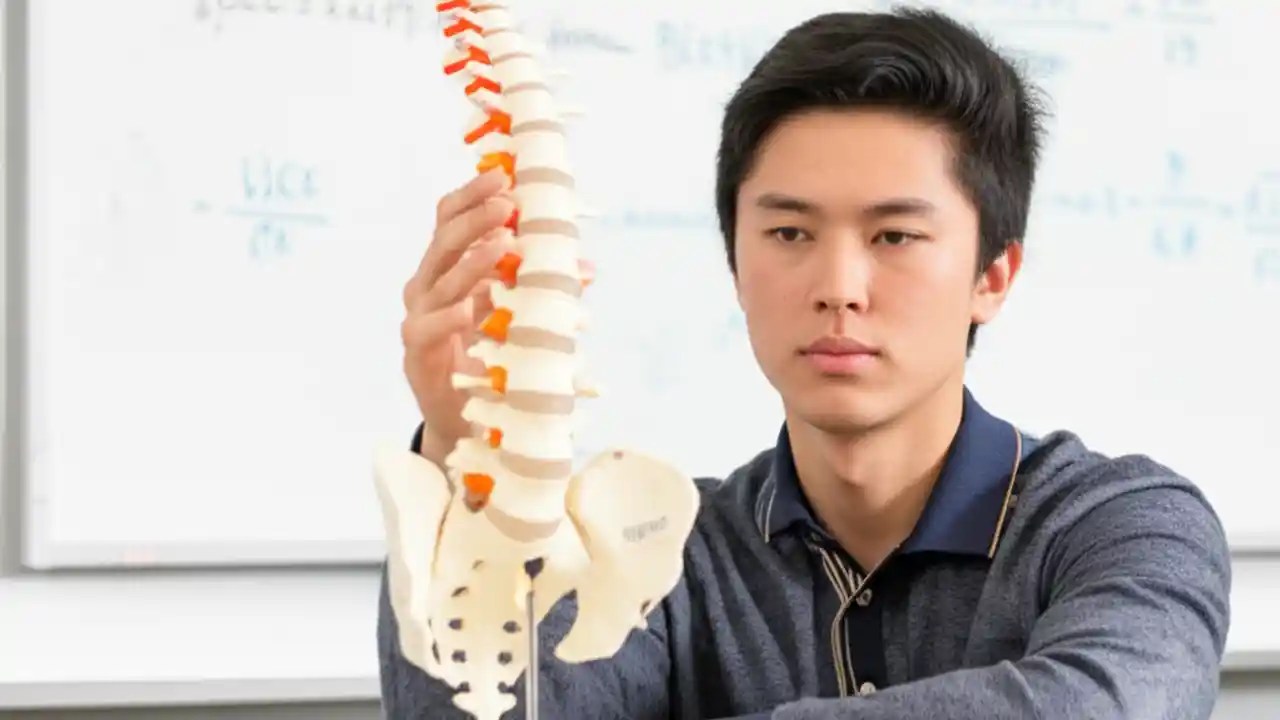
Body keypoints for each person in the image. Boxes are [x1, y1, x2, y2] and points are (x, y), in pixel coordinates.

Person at [380, 7, 1231, 719]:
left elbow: (1101, 706)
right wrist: (464, 457)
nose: (838, 287)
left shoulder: (1125, 525)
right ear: (735, 263)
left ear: (992, 275)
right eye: (789, 233)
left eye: (894, 235)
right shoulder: (662, 552)